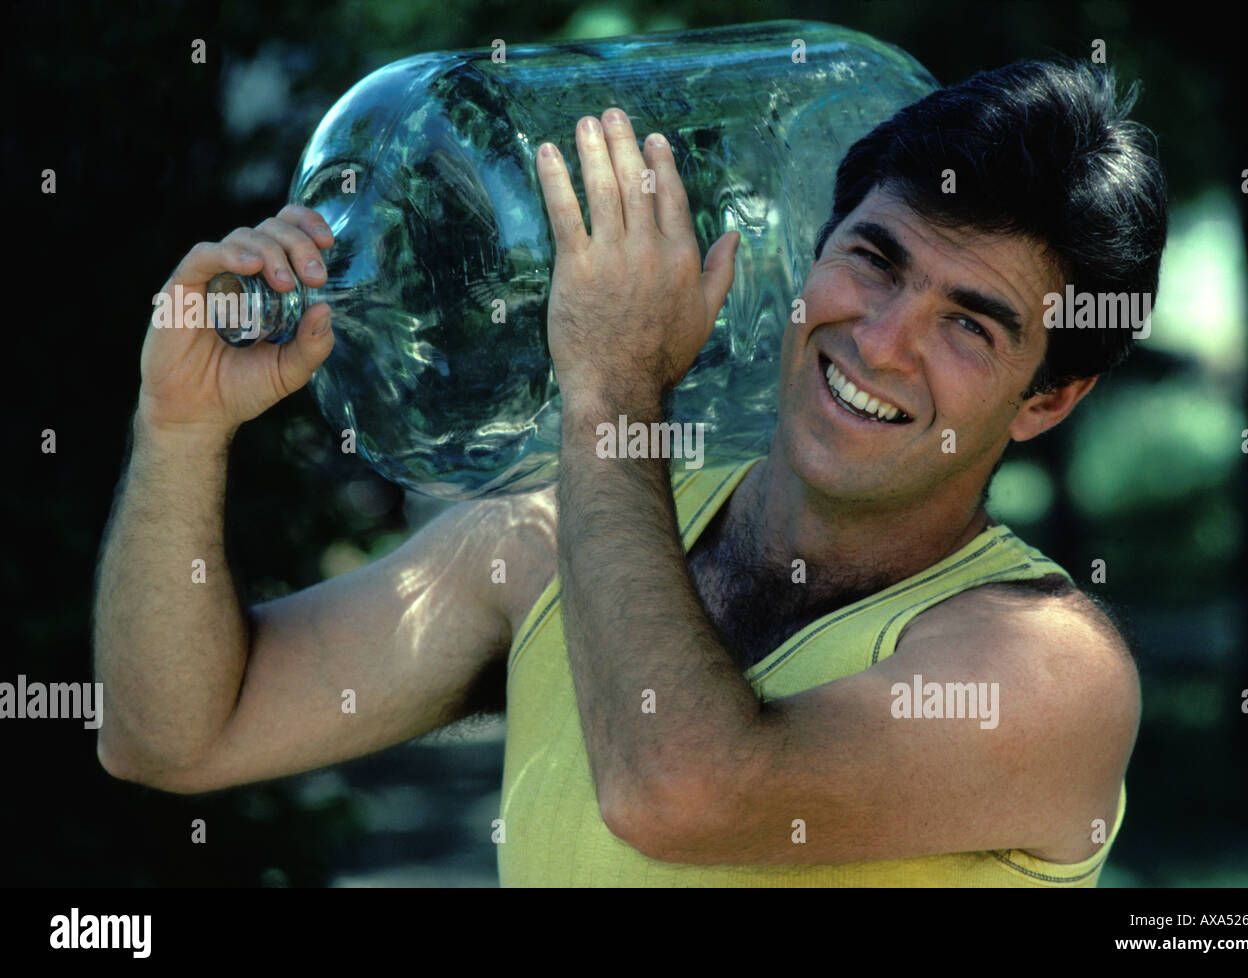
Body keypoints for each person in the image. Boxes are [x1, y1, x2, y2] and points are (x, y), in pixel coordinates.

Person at [94, 56, 1166, 887]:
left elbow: (679, 791)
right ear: (817, 246)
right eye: (873, 259)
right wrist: (180, 433)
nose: (881, 341)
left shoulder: (1046, 672)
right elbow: (175, 735)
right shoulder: (550, 533)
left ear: (1047, 399)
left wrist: (609, 389)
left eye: (967, 326)